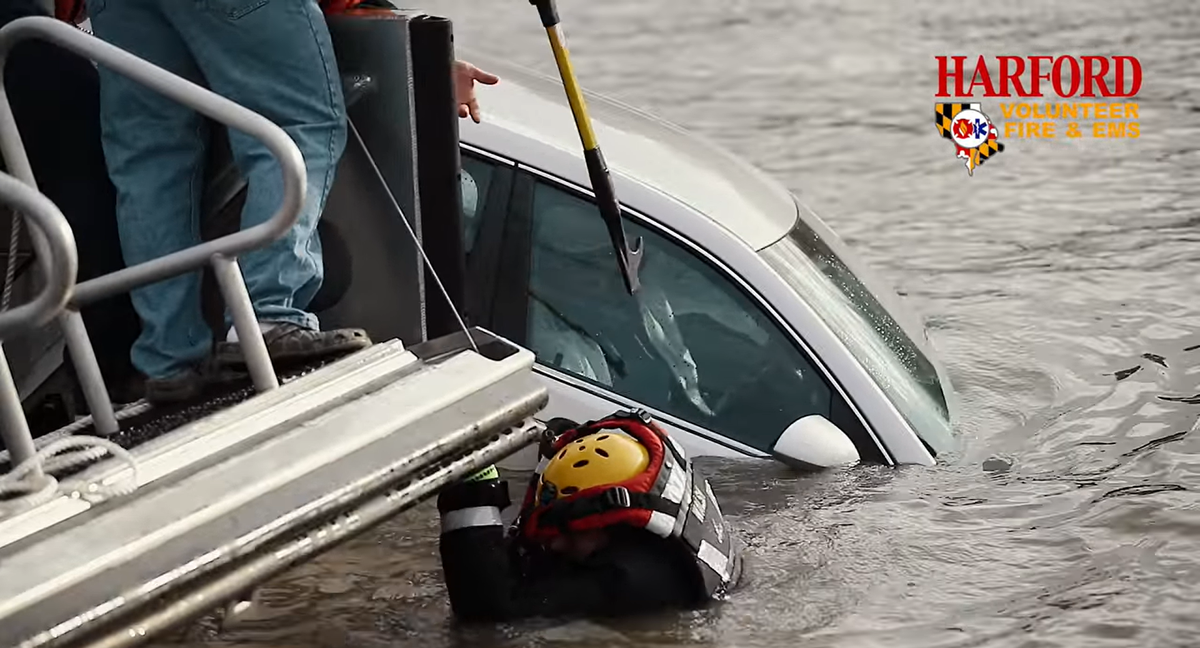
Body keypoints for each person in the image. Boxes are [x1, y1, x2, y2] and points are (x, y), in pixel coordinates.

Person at [436, 410, 741, 621]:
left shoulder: (633, 578)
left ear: (613, 521)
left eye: (570, 532)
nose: (555, 544)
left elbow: (491, 614)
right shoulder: (644, 530)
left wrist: (473, 494)